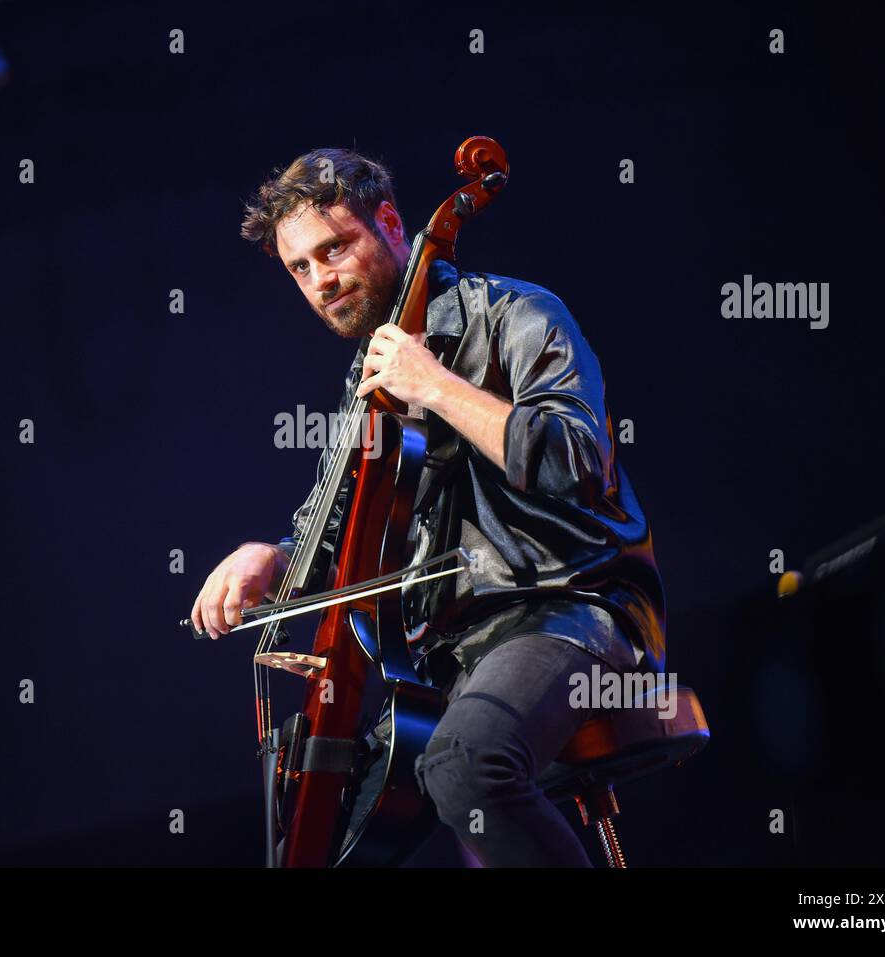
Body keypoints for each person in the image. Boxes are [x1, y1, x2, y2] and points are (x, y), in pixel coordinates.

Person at [189, 148, 667, 867]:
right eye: (300, 269)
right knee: (320, 844)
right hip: (447, 661)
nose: (322, 280)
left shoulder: (515, 311)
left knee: (463, 764)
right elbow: (332, 541)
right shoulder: (369, 386)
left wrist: (438, 386)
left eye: (334, 249)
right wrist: (274, 557)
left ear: (388, 223)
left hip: (570, 608)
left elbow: (574, 462)